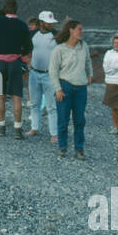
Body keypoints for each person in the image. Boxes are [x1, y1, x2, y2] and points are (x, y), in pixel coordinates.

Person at [0, 0, 33, 139]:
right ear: (16, 9)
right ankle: (18, 129)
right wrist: (21, 54)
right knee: (16, 97)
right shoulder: (22, 25)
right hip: (16, 63)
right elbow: (29, 45)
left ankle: (1, 127)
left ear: (4, 9)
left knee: (0, 95)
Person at [50, 18, 92, 159]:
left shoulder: (84, 46)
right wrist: (58, 89)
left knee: (79, 120)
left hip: (81, 88)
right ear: (71, 30)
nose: (82, 31)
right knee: (63, 119)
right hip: (65, 86)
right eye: (79, 29)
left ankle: (79, 149)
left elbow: (88, 61)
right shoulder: (59, 49)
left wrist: (90, 74)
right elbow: (53, 71)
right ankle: (62, 147)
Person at [28, 11, 60, 140]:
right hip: (34, 73)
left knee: (52, 106)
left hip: (49, 75)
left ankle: (54, 133)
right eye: (48, 22)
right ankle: (34, 128)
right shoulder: (33, 34)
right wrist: (28, 61)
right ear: (41, 23)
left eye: (52, 22)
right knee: (34, 103)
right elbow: (26, 47)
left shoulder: (57, 36)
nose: (51, 24)